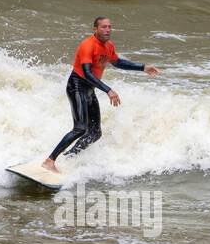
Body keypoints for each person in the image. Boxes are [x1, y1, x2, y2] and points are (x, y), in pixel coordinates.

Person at [40, 17, 160, 173]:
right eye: (103, 27)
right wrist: (108, 90)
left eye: (110, 27)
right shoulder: (87, 46)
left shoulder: (109, 46)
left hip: (89, 89)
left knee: (95, 132)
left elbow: (117, 62)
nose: (108, 30)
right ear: (95, 29)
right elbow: (87, 73)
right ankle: (49, 161)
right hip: (77, 86)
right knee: (80, 128)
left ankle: (69, 157)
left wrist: (142, 67)